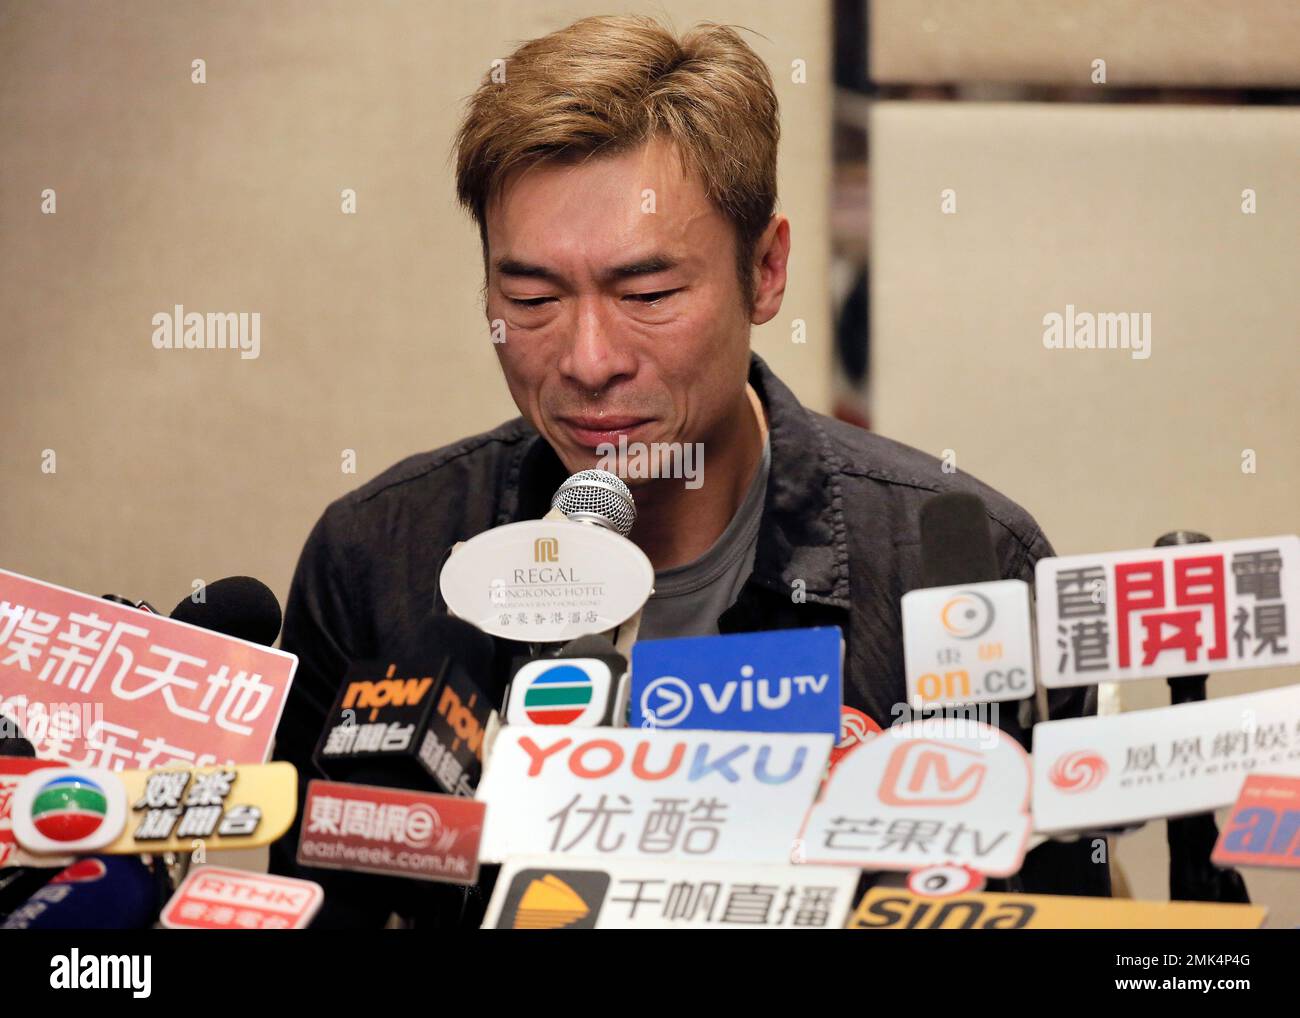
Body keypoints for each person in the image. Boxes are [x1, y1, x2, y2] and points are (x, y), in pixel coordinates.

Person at [271, 15, 1108, 924]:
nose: (589, 359)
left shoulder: (962, 566)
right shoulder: (379, 559)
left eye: (648, 296)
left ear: (768, 270)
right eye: (532, 298)